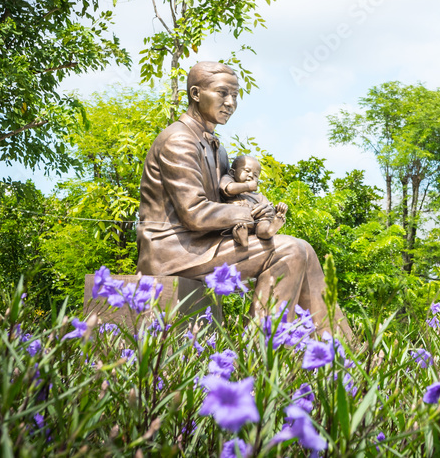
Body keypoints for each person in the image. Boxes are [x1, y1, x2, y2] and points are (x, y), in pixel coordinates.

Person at [137, 61, 352, 338]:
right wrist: (251, 214)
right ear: (195, 93)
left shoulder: (218, 149)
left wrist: (256, 208)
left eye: (235, 95)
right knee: (288, 251)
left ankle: (343, 356)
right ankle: (263, 354)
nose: (230, 102)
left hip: (202, 244)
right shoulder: (178, 140)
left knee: (303, 249)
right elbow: (194, 212)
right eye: (222, 93)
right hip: (173, 251)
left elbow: (224, 203)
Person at [220, 155, 288, 247]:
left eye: (255, 175)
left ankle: (269, 231)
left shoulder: (259, 196)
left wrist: (278, 210)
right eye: (247, 171)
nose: (251, 175)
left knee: (263, 221)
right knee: (239, 225)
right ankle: (241, 237)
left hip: (256, 221)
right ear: (232, 172)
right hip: (237, 217)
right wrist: (248, 186)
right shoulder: (229, 180)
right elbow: (229, 189)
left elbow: (269, 210)